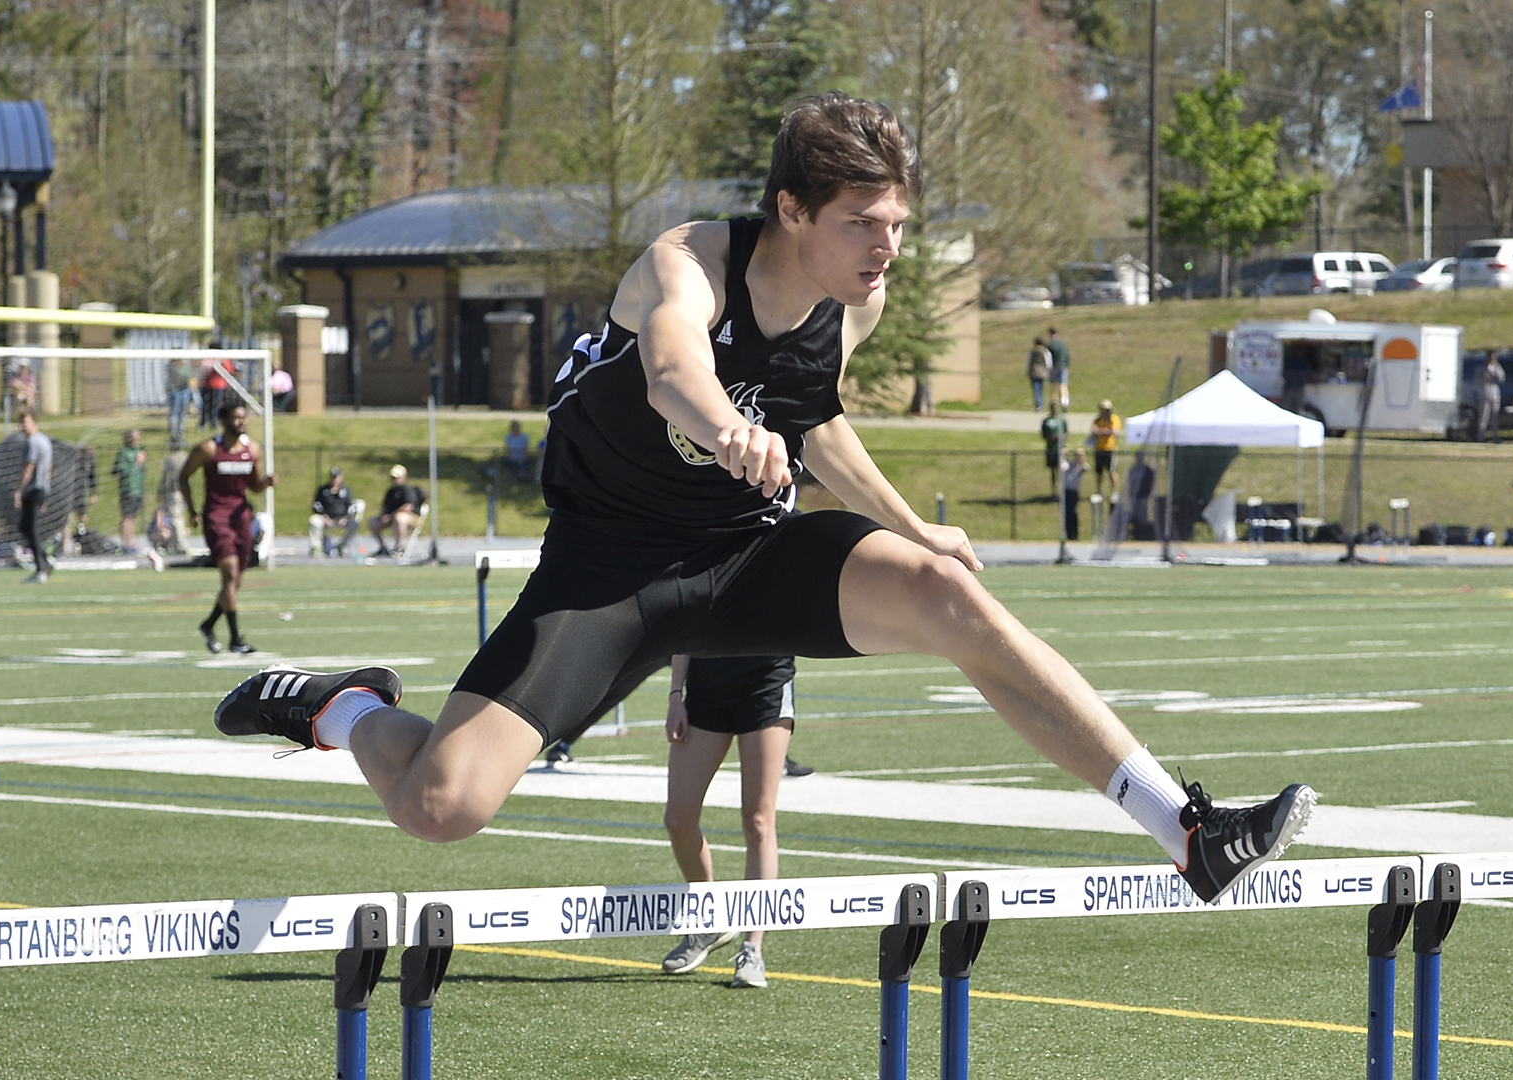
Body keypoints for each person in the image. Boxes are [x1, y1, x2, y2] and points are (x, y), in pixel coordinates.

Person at [211, 92, 1313, 906]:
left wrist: (912, 524)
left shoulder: (854, 304)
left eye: (897, 223)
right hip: (612, 573)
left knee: (950, 593)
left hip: (743, 557)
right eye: (864, 224)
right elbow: (674, 368)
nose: (890, 248)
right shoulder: (684, 262)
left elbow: (817, 415)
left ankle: (1187, 830)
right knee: (442, 810)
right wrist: (728, 428)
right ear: (790, 208)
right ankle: (344, 707)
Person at [660, 655, 798, 989]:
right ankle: (710, 920)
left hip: (765, 684)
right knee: (678, 819)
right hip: (706, 687)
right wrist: (675, 695)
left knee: (758, 821)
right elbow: (685, 621)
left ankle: (753, 949)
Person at [180, 403, 275, 652]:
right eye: (236, 418)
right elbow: (183, 476)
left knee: (236, 582)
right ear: (223, 420)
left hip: (241, 518)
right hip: (217, 517)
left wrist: (266, 483)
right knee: (230, 574)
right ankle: (235, 639)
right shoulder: (209, 449)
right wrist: (192, 510)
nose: (242, 422)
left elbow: (254, 486)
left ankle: (208, 625)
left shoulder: (252, 449)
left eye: (244, 417)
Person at [12, 413, 54, 583]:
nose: (23, 427)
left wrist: (19, 490)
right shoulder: (45, 440)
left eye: (26, 423)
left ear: (34, 423)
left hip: (34, 489)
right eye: (21, 423)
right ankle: (44, 560)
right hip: (41, 489)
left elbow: (29, 466)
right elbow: (49, 467)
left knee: (32, 528)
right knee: (25, 527)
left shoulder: (33, 441)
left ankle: (41, 569)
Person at [370, 465, 423, 556]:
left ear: (403, 477)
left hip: (410, 518)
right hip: (392, 517)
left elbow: (408, 506)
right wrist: (383, 516)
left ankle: (398, 547)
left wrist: (392, 515)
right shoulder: (390, 491)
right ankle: (383, 547)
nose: (394, 480)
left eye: (397, 478)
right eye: (393, 478)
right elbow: (385, 506)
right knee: (373, 522)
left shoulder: (407, 490)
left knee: (399, 518)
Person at [310, 466, 359, 557]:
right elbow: (316, 504)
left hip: (341, 519)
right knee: (314, 521)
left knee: (354, 524)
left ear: (340, 478)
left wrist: (346, 517)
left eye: (336, 477)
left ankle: (342, 545)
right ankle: (317, 547)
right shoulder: (323, 490)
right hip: (326, 518)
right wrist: (324, 516)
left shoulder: (346, 490)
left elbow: (352, 506)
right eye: (332, 477)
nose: (334, 480)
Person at [114, 429, 148, 553]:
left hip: (137, 489)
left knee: (133, 517)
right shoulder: (123, 452)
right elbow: (120, 470)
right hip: (128, 489)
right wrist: (136, 463)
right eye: (134, 437)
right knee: (127, 517)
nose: (136, 440)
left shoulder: (139, 451)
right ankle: (125, 543)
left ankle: (130, 540)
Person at [1088, 400, 1122, 499]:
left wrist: (1101, 432)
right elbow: (1094, 432)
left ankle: (1114, 492)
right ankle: (1099, 491)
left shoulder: (1114, 419)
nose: (1104, 412)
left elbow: (1114, 432)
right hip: (1099, 449)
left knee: (1112, 471)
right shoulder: (1097, 420)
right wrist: (1105, 432)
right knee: (1099, 472)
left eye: (1106, 410)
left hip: (1110, 449)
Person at [1475, 352, 1505, 443]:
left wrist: (1497, 369)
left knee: (1494, 417)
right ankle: (1481, 436)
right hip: (1484, 395)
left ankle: (1495, 436)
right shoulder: (1481, 368)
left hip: (1495, 395)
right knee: (1484, 417)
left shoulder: (1497, 368)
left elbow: (1502, 379)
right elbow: (1476, 381)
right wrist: (1483, 377)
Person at [166, 356, 195, 445]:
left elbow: (190, 375)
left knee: (183, 411)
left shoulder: (186, 366)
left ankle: (181, 429)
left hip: (184, 390)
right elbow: (181, 375)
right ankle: (173, 430)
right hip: (175, 391)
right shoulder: (171, 367)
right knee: (174, 411)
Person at [1061, 447, 1086, 541]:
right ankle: (1067, 534)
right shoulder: (1069, 464)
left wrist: (1081, 459)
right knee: (1066, 513)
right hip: (1066, 491)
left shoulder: (1082, 467)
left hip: (1074, 492)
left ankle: (1074, 534)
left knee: (1073, 512)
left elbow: (1084, 467)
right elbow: (1063, 467)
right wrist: (1063, 456)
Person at [1040, 402, 1067, 488]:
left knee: (1062, 469)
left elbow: (1067, 433)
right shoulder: (1046, 421)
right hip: (1051, 448)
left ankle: (1062, 489)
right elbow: (1043, 435)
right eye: (1052, 407)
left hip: (1060, 448)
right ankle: (1053, 489)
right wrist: (1051, 437)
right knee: (1053, 470)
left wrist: (1060, 437)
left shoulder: (1062, 420)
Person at [1046, 327, 1072, 411]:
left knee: (1053, 385)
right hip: (1063, 366)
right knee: (1063, 385)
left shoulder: (1050, 344)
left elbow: (1048, 357)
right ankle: (1065, 402)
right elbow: (1067, 356)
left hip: (1054, 367)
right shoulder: (1063, 344)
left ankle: (1054, 402)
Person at [1025, 337, 1051, 412]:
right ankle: (1041, 404)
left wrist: (1028, 370)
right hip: (1042, 372)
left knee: (1036, 389)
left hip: (1034, 371)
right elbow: (1048, 363)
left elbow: (1028, 361)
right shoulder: (1045, 351)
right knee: (1041, 389)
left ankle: (1038, 405)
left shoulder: (1032, 351)